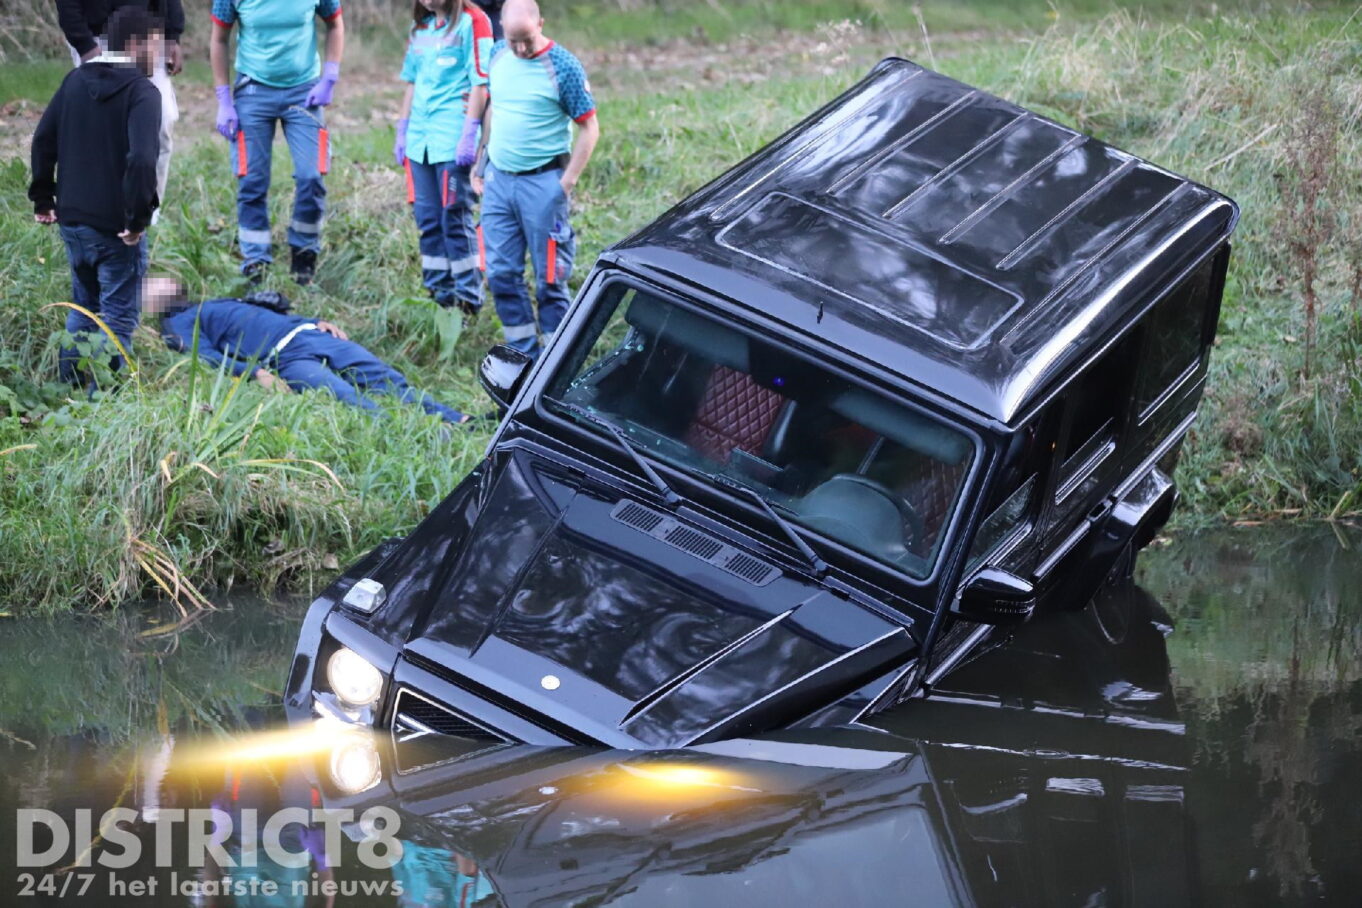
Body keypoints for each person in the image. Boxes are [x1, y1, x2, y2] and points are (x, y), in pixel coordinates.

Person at [29, 7, 161, 387]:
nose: (159, 54)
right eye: (155, 44)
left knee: (83, 308)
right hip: (116, 230)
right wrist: (136, 219)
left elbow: (43, 140)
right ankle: (104, 396)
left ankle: (68, 387)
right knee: (117, 316)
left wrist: (43, 198)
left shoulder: (74, 81)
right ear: (135, 43)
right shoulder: (142, 92)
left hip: (72, 221)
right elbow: (142, 159)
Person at [144, 278, 473, 424]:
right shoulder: (176, 325)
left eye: (160, 280)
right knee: (345, 396)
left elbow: (269, 315)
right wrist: (256, 373)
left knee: (384, 378)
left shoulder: (211, 304)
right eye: (149, 285)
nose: (159, 283)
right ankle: (416, 433)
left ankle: (458, 420)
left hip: (309, 334)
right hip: (286, 358)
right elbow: (205, 356)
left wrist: (314, 321)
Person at [473, 0, 600, 358]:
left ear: (541, 24)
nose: (520, 49)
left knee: (550, 279)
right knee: (500, 274)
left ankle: (556, 360)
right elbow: (495, 109)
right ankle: (523, 354)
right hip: (499, 181)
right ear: (502, 29)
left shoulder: (562, 67)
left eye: (527, 39)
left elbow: (590, 128)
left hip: (544, 183)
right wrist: (481, 162)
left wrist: (566, 184)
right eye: (513, 40)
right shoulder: (497, 55)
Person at [209, 0, 346, 286]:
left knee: (311, 177)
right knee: (252, 180)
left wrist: (330, 76)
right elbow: (219, 39)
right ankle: (255, 262)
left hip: (304, 90)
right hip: (253, 91)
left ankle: (304, 256)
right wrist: (223, 99)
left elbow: (335, 23)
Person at [395, 0, 494, 316]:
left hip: (452, 137)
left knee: (455, 217)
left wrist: (470, 131)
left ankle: (467, 301)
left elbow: (481, 82)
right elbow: (412, 81)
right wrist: (402, 127)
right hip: (420, 141)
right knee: (428, 219)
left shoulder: (473, 21)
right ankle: (440, 295)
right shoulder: (421, 28)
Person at [56, 0, 183, 222]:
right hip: (96, 37)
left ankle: (146, 214)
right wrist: (84, 43)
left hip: (150, 32)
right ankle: (96, 213)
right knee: (101, 129)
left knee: (161, 123)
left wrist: (173, 36)